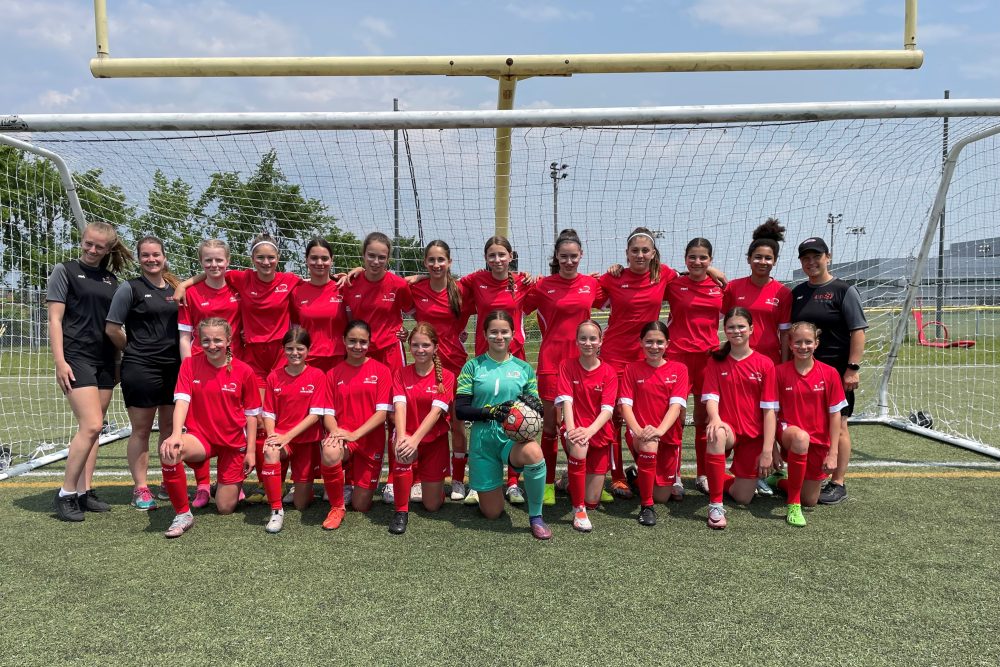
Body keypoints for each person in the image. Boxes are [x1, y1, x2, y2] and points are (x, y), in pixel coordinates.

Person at [47, 221, 131, 521]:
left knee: (96, 431)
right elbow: (55, 320)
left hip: (106, 360)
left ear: (108, 249)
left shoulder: (112, 281)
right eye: (88, 244)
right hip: (76, 357)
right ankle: (66, 493)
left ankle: (84, 491)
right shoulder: (65, 271)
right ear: (82, 241)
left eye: (99, 246)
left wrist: (119, 361)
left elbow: (114, 327)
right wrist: (60, 361)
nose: (92, 250)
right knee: (92, 425)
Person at [158, 318, 261, 538]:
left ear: (228, 340)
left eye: (217, 340)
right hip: (201, 438)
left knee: (224, 508)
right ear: (198, 341)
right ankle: (183, 514)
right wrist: (176, 434)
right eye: (205, 340)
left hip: (233, 443)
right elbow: (182, 401)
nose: (211, 345)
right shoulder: (190, 364)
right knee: (170, 450)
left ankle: (218, 486)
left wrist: (251, 451)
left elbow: (252, 415)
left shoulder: (244, 371)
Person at [596, 227, 679, 501]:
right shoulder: (614, 277)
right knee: (616, 418)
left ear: (653, 253)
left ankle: (651, 470)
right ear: (626, 254)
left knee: (648, 415)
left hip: (648, 356)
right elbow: (588, 291)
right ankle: (617, 477)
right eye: (635, 251)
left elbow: (691, 277)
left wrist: (714, 272)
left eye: (645, 250)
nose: (640, 255)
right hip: (615, 355)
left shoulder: (664, 274)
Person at [522, 229, 603, 506]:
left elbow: (619, 288)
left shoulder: (591, 284)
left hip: (583, 363)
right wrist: (525, 280)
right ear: (556, 257)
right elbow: (517, 303)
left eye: (574, 256)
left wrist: (615, 269)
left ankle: (579, 477)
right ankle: (546, 484)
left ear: (581, 256)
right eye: (564, 256)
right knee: (550, 426)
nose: (569, 261)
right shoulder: (543, 285)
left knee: (578, 423)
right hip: (551, 362)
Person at [455, 310, 551, 540]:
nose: (499, 336)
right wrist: (490, 411)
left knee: (534, 452)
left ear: (513, 334)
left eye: (504, 332)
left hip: (512, 439)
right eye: (494, 332)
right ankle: (489, 489)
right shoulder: (473, 366)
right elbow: (461, 409)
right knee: (492, 513)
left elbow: (536, 406)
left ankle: (536, 516)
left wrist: (534, 407)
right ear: (485, 335)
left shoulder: (524, 368)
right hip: (483, 441)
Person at [105, 235, 181, 512]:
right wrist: (135, 349)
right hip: (140, 367)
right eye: (146, 255)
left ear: (164, 257)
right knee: (141, 430)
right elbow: (112, 328)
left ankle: (167, 482)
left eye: (156, 254)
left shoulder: (175, 286)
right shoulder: (130, 288)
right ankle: (140, 487)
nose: (151, 259)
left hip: (174, 367)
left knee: (171, 429)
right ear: (139, 259)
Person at [791, 236, 868, 505]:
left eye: (816, 256)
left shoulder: (843, 290)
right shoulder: (798, 293)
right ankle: (809, 476)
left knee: (841, 424)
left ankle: (838, 482)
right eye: (806, 258)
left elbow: (857, 331)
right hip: (804, 372)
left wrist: (852, 369)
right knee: (807, 424)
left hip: (836, 372)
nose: (811, 262)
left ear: (828, 257)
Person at [341, 232, 413, 506]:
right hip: (359, 357)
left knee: (394, 418)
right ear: (363, 256)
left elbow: (414, 310)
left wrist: (408, 333)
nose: (376, 261)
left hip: (391, 356)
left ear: (388, 259)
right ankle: (349, 479)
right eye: (371, 255)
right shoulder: (350, 283)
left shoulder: (398, 284)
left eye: (382, 257)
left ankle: (395, 479)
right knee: (355, 413)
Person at [176, 238, 242, 507]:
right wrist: (188, 367)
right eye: (208, 260)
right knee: (197, 424)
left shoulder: (238, 287)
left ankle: (232, 480)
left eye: (219, 260)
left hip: (232, 366)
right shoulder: (191, 293)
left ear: (227, 261)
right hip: (200, 366)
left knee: (232, 420)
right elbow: (184, 336)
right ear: (201, 263)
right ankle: (202, 486)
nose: (214, 265)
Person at [405, 241, 471, 503]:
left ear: (449, 262)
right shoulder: (415, 288)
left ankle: (457, 479)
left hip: (454, 364)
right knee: (422, 421)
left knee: (456, 423)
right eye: (431, 260)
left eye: (441, 260)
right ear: (424, 263)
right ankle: (419, 478)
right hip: (425, 364)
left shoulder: (461, 289)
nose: (436, 265)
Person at [701, 308, 779, 530]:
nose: (736, 331)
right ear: (724, 330)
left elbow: (769, 411)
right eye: (731, 327)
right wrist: (715, 418)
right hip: (729, 431)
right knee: (716, 433)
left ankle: (716, 479)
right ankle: (715, 504)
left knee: (744, 497)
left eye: (741, 326)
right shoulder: (716, 360)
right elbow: (711, 397)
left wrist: (767, 450)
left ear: (752, 329)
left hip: (754, 435)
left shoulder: (765, 364)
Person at [663, 237, 727, 499]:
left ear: (711, 260)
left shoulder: (721, 287)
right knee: (675, 419)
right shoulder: (674, 285)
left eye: (703, 258)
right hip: (678, 358)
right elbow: (650, 275)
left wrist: (714, 274)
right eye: (692, 257)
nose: (698, 262)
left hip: (707, 359)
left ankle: (703, 474)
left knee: (705, 419)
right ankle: (674, 475)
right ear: (685, 258)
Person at [768, 322, 848, 526]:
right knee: (801, 438)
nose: (803, 346)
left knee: (810, 500)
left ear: (817, 343)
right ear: (790, 343)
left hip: (818, 439)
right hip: (789, 433)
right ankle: (793, 505)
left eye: (808, 342)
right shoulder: (778, 372)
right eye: (798, 342)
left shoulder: (829, 374)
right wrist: (773, 450)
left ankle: (778, 481)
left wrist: (833, 453)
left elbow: (835, 416)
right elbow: (770, 413)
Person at [318, 320, 392, 528]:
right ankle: (337, 507)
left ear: (369, 343)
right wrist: (336, 432)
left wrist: (355, 434)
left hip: (370, 440)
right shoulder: (333, 374)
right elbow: (328, 414)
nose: (357, 346)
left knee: (361, 506)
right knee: (330, 450)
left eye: (363, 342)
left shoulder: (381, 371)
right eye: (352, 341)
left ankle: (350, 482)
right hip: (345, 438)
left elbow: (381, 414)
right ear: (343, 341)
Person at [618, 321, 690, 527]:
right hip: (640, 434)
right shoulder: (631, 369)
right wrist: (639, 431)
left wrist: (658, 430)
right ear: (640, 342)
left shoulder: (680, 369)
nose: (654, 346)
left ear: (668, 344)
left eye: (659, 342)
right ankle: (646, 507)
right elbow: (625, 406)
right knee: (649, 446)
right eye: (649, 341)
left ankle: (635, 476)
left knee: (663, 497)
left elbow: (676, 407)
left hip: (666, 434)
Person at [389, 323, 457, 534]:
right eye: (416, 345)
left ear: (435, 347)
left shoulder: (446, 376)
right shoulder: (401, 373)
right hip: (408, 435)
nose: (420, 350)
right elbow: (399, 406)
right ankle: (401, 511)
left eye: (426, 345)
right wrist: (402, 437)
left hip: (433, 441)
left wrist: (415, 440)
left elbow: (436, 413)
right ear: (409, 346)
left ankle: (426, 482)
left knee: (432, 505)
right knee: (402, 449)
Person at [258, 327, 328, 533]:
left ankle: (300, 488)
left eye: (300, 348)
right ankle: (276, 510)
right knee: (270, 450)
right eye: (289, 348)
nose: (294, 353)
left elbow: (315, 415)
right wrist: (273, 436)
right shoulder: (274, 377)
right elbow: (268, 413)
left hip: (305, 442)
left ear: (308, 350)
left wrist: (286, 436)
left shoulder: (317, 375)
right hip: (281, 439)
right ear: (283, 349)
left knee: (301, 504)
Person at [555, 320, 618, 532]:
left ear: (601, 341)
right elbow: (567, 401)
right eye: (583, 338)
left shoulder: (609, 372)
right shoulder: (566, 365)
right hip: (575, 431)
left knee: (594, 500)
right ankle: (578, 510)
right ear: (576, 341)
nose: (588, 342)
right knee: (580, 447)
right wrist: (572, 431)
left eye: (593, 338)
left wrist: (589, 431)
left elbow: (607, 410)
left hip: (598, 432)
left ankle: (568, 482)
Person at [290, 237, 347, 372]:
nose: (319, 263)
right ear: (306, 260)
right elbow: (295, 327)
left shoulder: (344, 287)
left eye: (325, 258)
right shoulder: (296, 291)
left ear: (332, 260)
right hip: (307, 361)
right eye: (314, 258)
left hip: (340, 359)